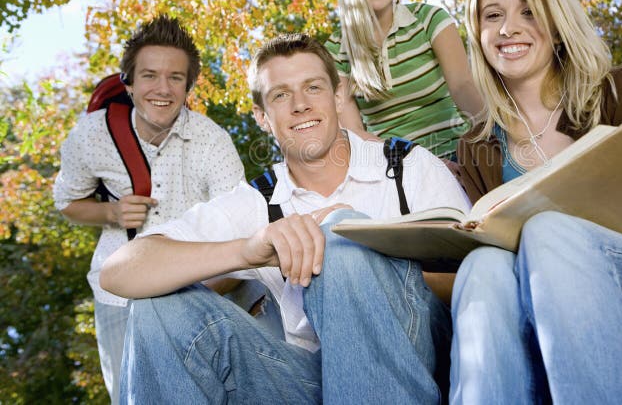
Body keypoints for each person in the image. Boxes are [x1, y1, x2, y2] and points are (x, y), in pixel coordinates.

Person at [100, 33, 471, 403]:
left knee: (341, 242)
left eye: (313, 87)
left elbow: (474, 284)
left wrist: (367, 251)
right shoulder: (259, 202)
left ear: (338, 96)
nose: (300, 105)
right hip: (308, 383)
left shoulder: (408, 167)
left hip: (418, 358)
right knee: (157, 309)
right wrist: (250, 250)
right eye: (280, 95)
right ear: (262, 117)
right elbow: (118, 272)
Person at [449, 0, 622, 403]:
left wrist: (568, 241)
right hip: (534, 309)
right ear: (479, 34)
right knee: (482, 265)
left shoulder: (613, 92)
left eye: (528, 11)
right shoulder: (475, 146)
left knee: (549, 230)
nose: (509, 28)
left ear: (557, 20)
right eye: (493, 15)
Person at [53, 15, 245, 404]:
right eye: (149, 75)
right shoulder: (91, 135)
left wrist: (197, 291)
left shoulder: (211, 141)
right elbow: (67, 203)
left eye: (176, 77)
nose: (162, 88)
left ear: (189, 86)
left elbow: (240, 230)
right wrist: (112, 214)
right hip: (118, 298)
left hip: (200, 289)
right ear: (128, 82)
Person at [326, 0, 483, 158]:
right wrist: (418, 168)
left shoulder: (429, 20)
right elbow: (355, 134)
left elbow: (463, 87)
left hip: (460, 157)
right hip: (397, 172)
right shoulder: (335, 52)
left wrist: (495, 144)